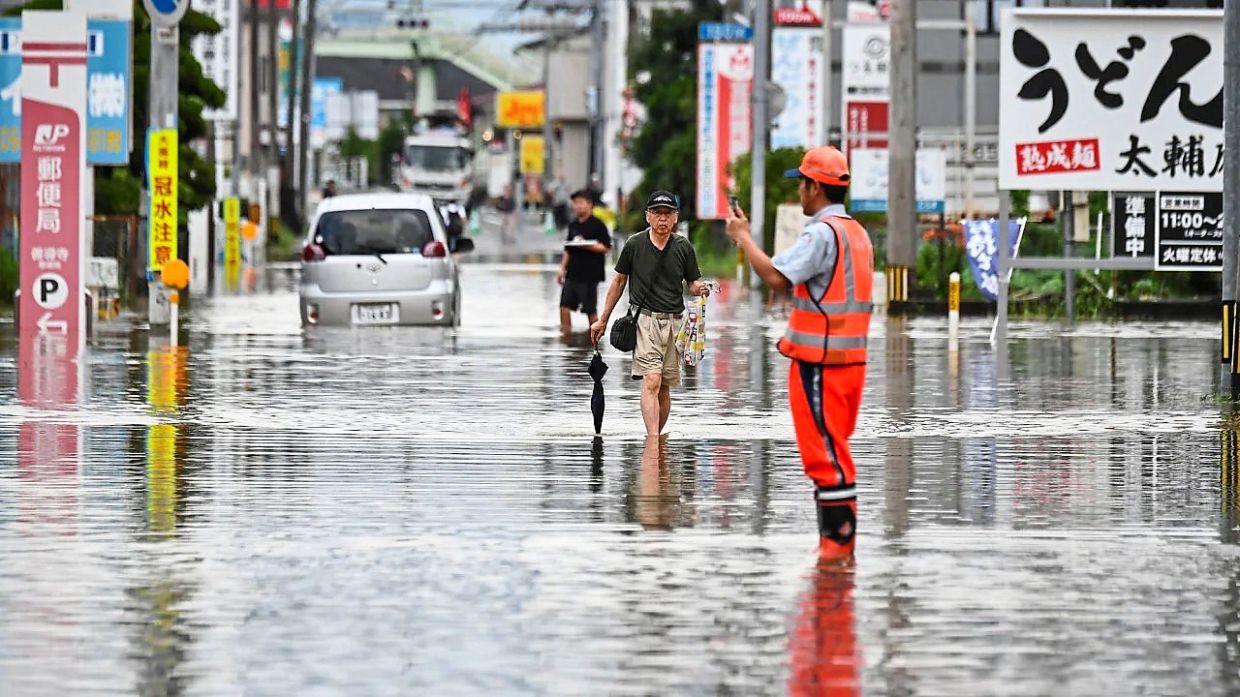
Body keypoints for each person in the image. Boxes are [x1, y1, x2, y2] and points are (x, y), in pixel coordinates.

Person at [724, 145, 874, 556]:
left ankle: (836, 550)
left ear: (814, 187)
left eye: (802, 184)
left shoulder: (822, 234)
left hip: (820, 363)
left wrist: (743, 239)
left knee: (824, 455)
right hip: (849, 363)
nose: (800, 193)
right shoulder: (857, 233)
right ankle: (835, 547)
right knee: (834, 448)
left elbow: (777, 277)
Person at [590, 191, 711, 437]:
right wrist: (603, 319)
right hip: (644, 320)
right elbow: (619, 281)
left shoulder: (683, 247)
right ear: (648, 216)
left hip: (675, 323)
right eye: (657, 213)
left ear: (675, 217)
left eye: (668, 213)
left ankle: (656, 440)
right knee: (652, 380)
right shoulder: (635, 244)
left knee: (664, 386)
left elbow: (692, 282)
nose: (662, 219)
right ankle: (653, 441)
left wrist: (702, 288)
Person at [557, 189, 612, 332]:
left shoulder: (598, 224)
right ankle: (566, 337)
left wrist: (588, 245)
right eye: (575, 203)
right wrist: (562, 268)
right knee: (564, 306)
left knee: (590, 310)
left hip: (590, 275)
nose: (578, 206)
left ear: (589, 204)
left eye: (581, 203)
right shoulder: (573, 224)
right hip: (572, 273)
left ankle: (594, 338)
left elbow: (605, 247)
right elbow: (568, 249)